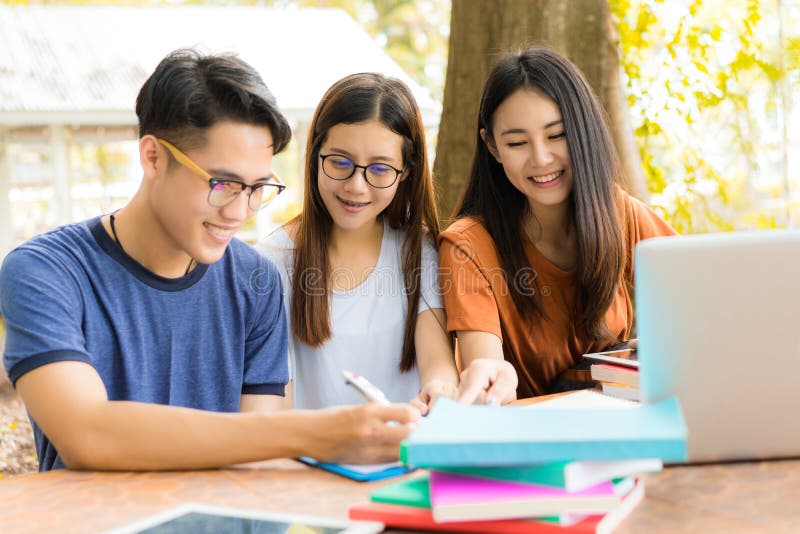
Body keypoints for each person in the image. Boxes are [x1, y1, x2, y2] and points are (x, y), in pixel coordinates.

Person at [0, 49, 417, 472]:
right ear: (153, 158)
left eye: (257, 188)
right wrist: (319, 433)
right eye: (223, 183)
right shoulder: (46, 272)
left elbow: (258, 457)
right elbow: (88, 435)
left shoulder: (255, 280)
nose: (239, 212)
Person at [441, 47, 676, 404]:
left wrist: (658, 350)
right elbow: (487, 386)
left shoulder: (617, 213)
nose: (541, 158)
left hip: (623, 422)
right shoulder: (468, 247)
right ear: (492, 147)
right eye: (517, 142)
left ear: (583, 131)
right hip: (535, 437)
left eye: (557, 135)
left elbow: (701, 297)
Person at [258, 73, 458, 414]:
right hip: (310, 460)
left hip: (400, 458)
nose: (356, 186)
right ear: (315, 154)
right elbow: (273, 407)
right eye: (339, 162)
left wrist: (439, 390)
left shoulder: (419, 252)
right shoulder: (272, 262)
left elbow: (438, 364)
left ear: (406, 172)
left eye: (380, 169)